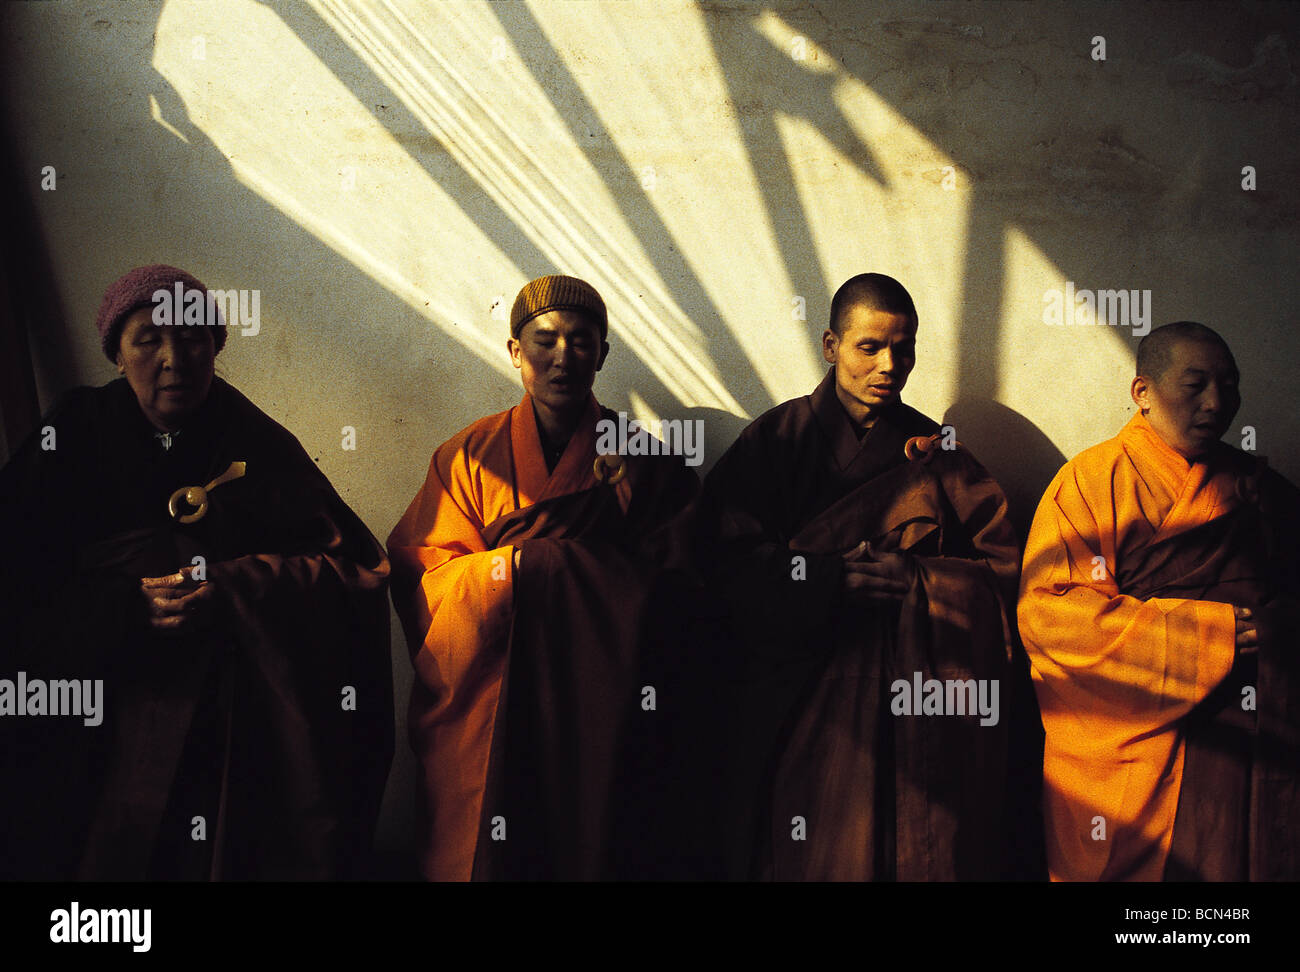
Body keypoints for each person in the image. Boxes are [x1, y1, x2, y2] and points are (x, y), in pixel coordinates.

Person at [0, 264, 393, 880]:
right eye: (148, 339)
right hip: (94, 710)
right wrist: (123, 605)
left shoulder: (254, 442)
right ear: (117, 351)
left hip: (229, 726)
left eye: (192, 337)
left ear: (215, 346)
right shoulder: (73, 434)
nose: (173, 358)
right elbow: (16, 573)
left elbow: (353, 569)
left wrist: (238, 587)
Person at [692, 272, 1027, 880]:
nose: (889, 365)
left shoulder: (938, 451)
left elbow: (1003, 575)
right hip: (798, 692)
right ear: (831, 346)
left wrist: (921, 582)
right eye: (869, 347)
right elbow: (716, 563)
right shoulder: (775, 440)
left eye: (904, 348)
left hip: (916, 705)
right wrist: (820, 581)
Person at [388, 274, 698, 881]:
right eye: (545, 340)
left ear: (603, 355)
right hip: (488, 690)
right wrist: (513, 571)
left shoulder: (643, 459)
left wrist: (573, 560)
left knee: (590, 838)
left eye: (582, 341)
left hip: (597, 698)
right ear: (515, 351)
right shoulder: (466, 455)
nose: (563, 358)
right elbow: (424, 578)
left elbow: (680, 590)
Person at [1019, 321, 1300, 881]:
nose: (1217, 403)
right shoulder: (1090, 480)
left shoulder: (1257, 488)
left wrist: (1277, 626)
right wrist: (1208, 635)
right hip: (1140, 741)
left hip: (1246, 730)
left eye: (1229, 385)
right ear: (1141, 393)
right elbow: (1051, 617)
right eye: (1195, 385)